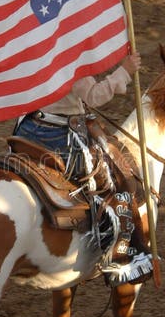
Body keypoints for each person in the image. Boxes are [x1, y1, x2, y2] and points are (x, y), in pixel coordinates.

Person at [13, 52, 153, 285]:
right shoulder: (68, 53)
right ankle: (118, 255)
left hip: (27, 129)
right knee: (109, 178)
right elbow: (93, 95)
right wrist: (125, 71)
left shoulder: (37, 43)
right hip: (57, 136)